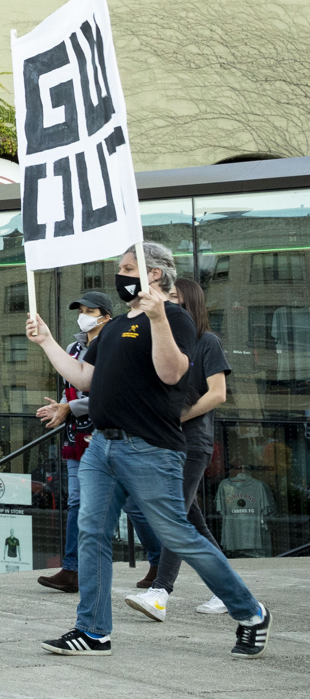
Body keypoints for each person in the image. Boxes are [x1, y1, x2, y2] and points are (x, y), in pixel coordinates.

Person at [26, 242, 270, 657]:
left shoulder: (174, 318)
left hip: (150, 449)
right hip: (102, 445)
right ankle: (93, 631)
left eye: (127, 267)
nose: (119, 274)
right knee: (92, 532)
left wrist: (157, 318)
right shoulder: (117, 326)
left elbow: (172, 373)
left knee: (178, 533)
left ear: (154, 274)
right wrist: (47, 341)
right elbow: (86, 377)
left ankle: (250, 612)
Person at [122, 276, 232, 621]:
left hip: (191, 443)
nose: (166, 303)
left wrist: (180, 416)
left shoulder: (206, 342)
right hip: (165, 442)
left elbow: (217, 394)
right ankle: (228, 590)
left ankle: (160, 591)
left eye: (173, 298)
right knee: (192, 523)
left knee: (173, 517)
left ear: (189, 304)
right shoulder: (162, 343)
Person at [35, 291, 113, 595]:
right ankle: (72, 569)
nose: (83, 315)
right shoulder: (74, 347)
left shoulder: (114, 343)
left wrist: (72, 407)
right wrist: (63, 407)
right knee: (77, 501)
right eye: (80, 310)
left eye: (89, 310)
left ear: (105, 315)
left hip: (108, 431)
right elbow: (73, 387)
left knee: (134, 505)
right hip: (76, 435)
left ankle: (159, 564)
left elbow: (106, 390)